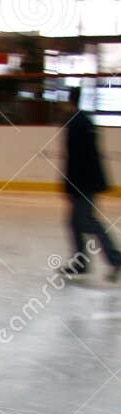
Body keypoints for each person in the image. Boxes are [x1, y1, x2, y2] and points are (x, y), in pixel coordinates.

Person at [60, 96, 121, 281]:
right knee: (75, 222)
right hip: (87, 182)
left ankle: (116, 259)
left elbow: (76, 159)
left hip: (83, 183)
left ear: (68, 102)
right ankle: (81, 263)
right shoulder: (83, 120)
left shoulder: (76, 124)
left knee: (86, 221)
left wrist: (70, 186)